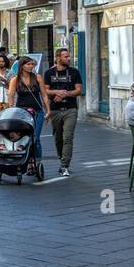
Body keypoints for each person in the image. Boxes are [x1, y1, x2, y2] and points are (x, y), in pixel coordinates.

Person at [43, 47, 83, 177]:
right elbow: (45, 91)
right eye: (66, 57)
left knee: (67, 137)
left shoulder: (74, 72)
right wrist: (56, 92)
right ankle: (62, 158)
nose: (68, 58)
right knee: (58, 138)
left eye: (69, 56)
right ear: (58, 58)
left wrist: (65, 94)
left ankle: (64, 165)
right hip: (55, 110)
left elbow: (78, 90)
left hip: (70, 109)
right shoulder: (49, 73)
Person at [9, 56, 50, 162]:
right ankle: (27, 160)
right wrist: (12, 111)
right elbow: (11, 97)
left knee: (36, 138)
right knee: (25, 138)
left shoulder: (37, 77)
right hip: (22, 113)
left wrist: (48, 110)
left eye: (32, 64)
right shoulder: (15, 80)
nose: (31, 66)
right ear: (22, 66)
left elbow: (44, 95)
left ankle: (36, 162)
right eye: (28, 64)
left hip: (37, 112)